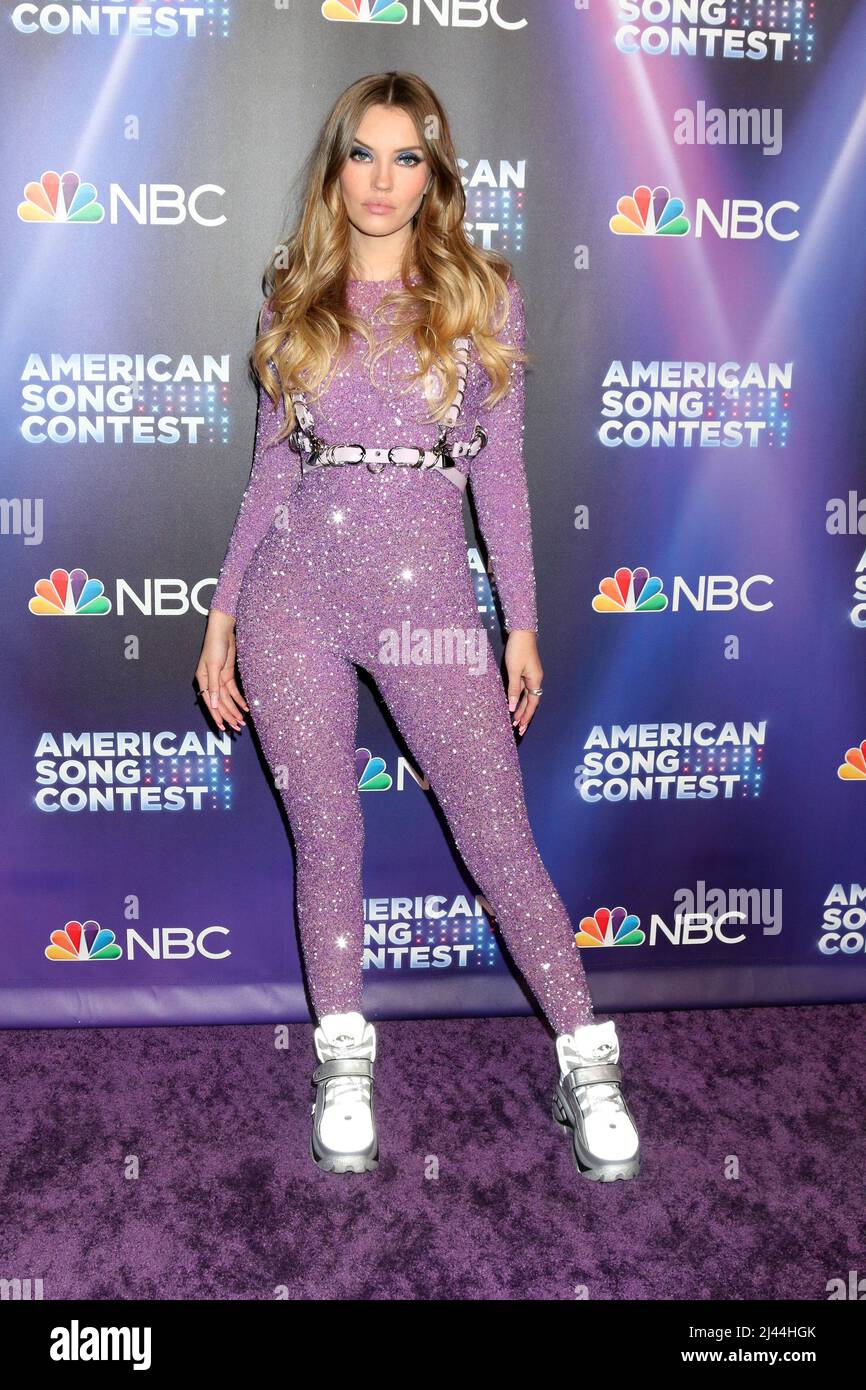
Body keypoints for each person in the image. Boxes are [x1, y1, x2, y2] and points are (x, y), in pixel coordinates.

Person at [194, 72, 640, 1183]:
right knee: (328, 838)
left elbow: (501, 472)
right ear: (334, 166)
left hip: (433, 612)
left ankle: (586, 1060)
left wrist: (521, 625)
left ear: (434, 174)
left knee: (497, 838)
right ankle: (343, 1058)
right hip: (294, 598)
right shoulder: (293, 291)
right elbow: (265, 472)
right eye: (362, 154)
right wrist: (225, 609)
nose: (381, 180)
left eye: (405, 158)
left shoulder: (481, 294)